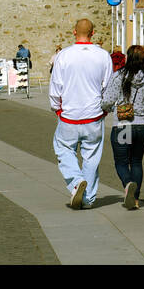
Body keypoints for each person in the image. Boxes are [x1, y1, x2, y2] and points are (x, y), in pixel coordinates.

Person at [49, 18, 112, 210]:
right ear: (93, 33)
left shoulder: (64, 56)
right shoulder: (103, 56)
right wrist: (105, 109)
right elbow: (108, 87)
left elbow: (55, 86)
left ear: (74, 32)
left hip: (69, 113)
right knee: (91, 157)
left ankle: (76, 182)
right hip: (93, 114)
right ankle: (88, 198)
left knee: (63, 149)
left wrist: (57, 108)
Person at [102, 44, 144, 209]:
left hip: (124, 126)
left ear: (128, 58)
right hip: (143, 127)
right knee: (136, 161)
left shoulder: (119, 76)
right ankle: (135, 199)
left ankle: (128, 184)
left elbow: (108, 100)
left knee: (121, 162)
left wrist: (106, 109)